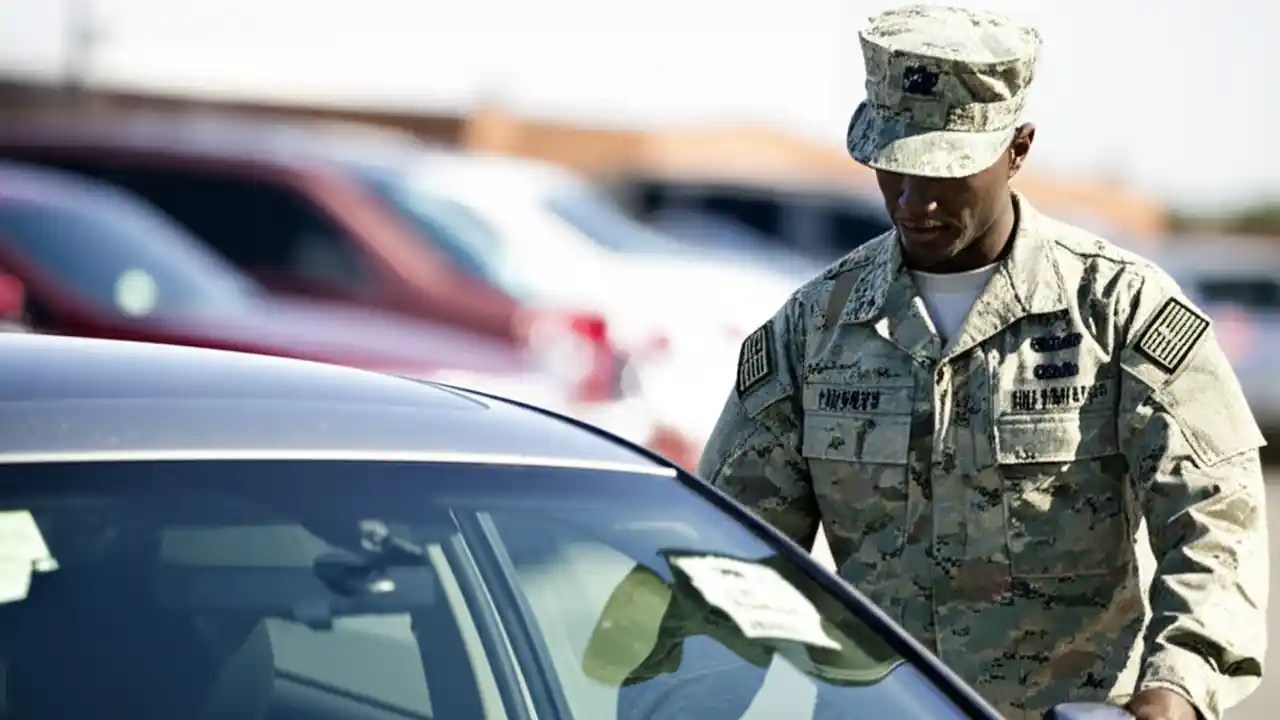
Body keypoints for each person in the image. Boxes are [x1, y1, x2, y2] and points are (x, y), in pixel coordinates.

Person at [696, 5, 1268, 720]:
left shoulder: (1118, 310)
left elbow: (1216, 516)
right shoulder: (813, 330)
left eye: (945, 173)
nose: (913, 199)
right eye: (893, 166)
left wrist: (1177, 689)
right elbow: (725, 563)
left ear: (1019, 148)